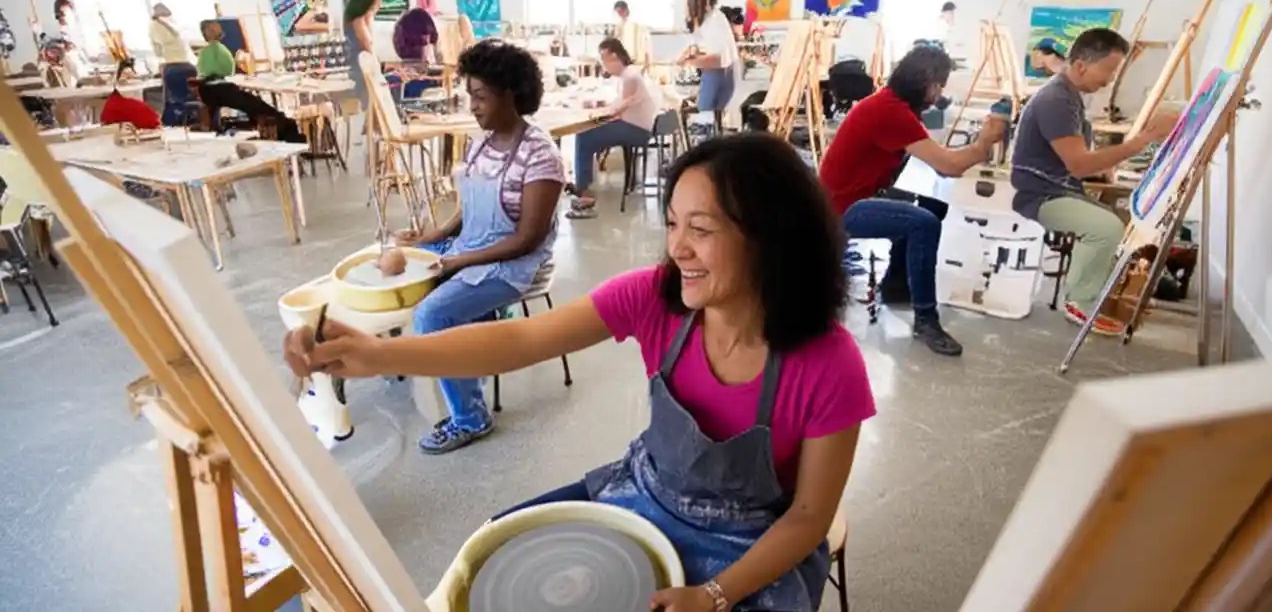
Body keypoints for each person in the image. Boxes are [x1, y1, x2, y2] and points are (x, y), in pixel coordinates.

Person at [285, 133, 874, 612]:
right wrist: (379, 354)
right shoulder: (656, 298)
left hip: (755, 540)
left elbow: (808, 517)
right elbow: (520, 339)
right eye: (672, 224)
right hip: (648, 490)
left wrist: (714, 596)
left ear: (770, 239)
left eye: (701, 229)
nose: (677, 249)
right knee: (496, 548)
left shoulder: (828, 363)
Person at [389, 39, 564, 454]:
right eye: (470, 95)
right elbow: (469, 207)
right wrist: (432, 238)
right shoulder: (481, 141)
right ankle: (416, 359)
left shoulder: (541, 156)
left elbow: (527, 239)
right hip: (472, 245)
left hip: (515, 264)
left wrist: (458, 261)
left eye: (480, 96)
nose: (473, 106)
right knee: (401, 268)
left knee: (432, 312)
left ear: (511, 95)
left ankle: (470, 416)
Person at [819, 44, 1005, 356]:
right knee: (923, 222)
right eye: (939, 85)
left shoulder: (892, 105)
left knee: (932, 205)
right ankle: (926, 319)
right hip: (841, 208)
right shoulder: (889, 111)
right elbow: (949, 166)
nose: (939, 94)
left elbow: (941, 167)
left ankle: (896, 287)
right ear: (924, 82)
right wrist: (984, 142)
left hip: (853, 197)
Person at [1010, 28, 1176, 335]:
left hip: (1058, 187)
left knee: (1121, 220)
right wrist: (1142, 141)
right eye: (1109, 70)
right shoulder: (1056, 100)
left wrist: (1106, 166)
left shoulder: (1070, 96)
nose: (1110, 80)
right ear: (1082, 65)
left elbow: (1076, 160)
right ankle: (1080, 303)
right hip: (1039, 195)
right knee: (1106, 228)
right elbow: (1079, 163)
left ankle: (1111, 293)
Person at [566, 38, 660, 219]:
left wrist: (601, 115)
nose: (604, 65)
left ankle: (584, 192)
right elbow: (621, 106)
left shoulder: (630, 76)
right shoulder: (629, 74)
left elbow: (620, 109)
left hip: (636, 128)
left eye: (605, 59)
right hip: (635, 124)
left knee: (584, 136)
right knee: (589, 133)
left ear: (614, 57)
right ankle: (584, 183)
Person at [195, 20, 303, 143]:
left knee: (255, 104)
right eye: (216, 28)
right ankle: (285, 128)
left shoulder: (208, 52)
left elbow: (216, 71)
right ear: (210, 31)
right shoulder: (216, 50)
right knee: (257, 105)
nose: (220, 30)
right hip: (220, 89)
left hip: (214, 89)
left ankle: (282, 127)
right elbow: (226, 70)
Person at [679, 0, 739, 138]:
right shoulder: (709, 18)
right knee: (710, 121)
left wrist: (689, 62)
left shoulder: (714, 20)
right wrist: (689, 53)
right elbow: (697, 43)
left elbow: (717, 59)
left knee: (704, 120)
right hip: (721, 75)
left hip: (719, 75)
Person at [344, 0, 381, 105]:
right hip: (362, 68)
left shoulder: (355, 19)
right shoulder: (359, 21)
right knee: (371, 105)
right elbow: (367, 44)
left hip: (358, 66)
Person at [149, 4, 195, 68]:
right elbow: (162, 40)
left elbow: (176, 34)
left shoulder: (165, 22)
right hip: (170, 57)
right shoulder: (154, 25)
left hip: (180, 57)